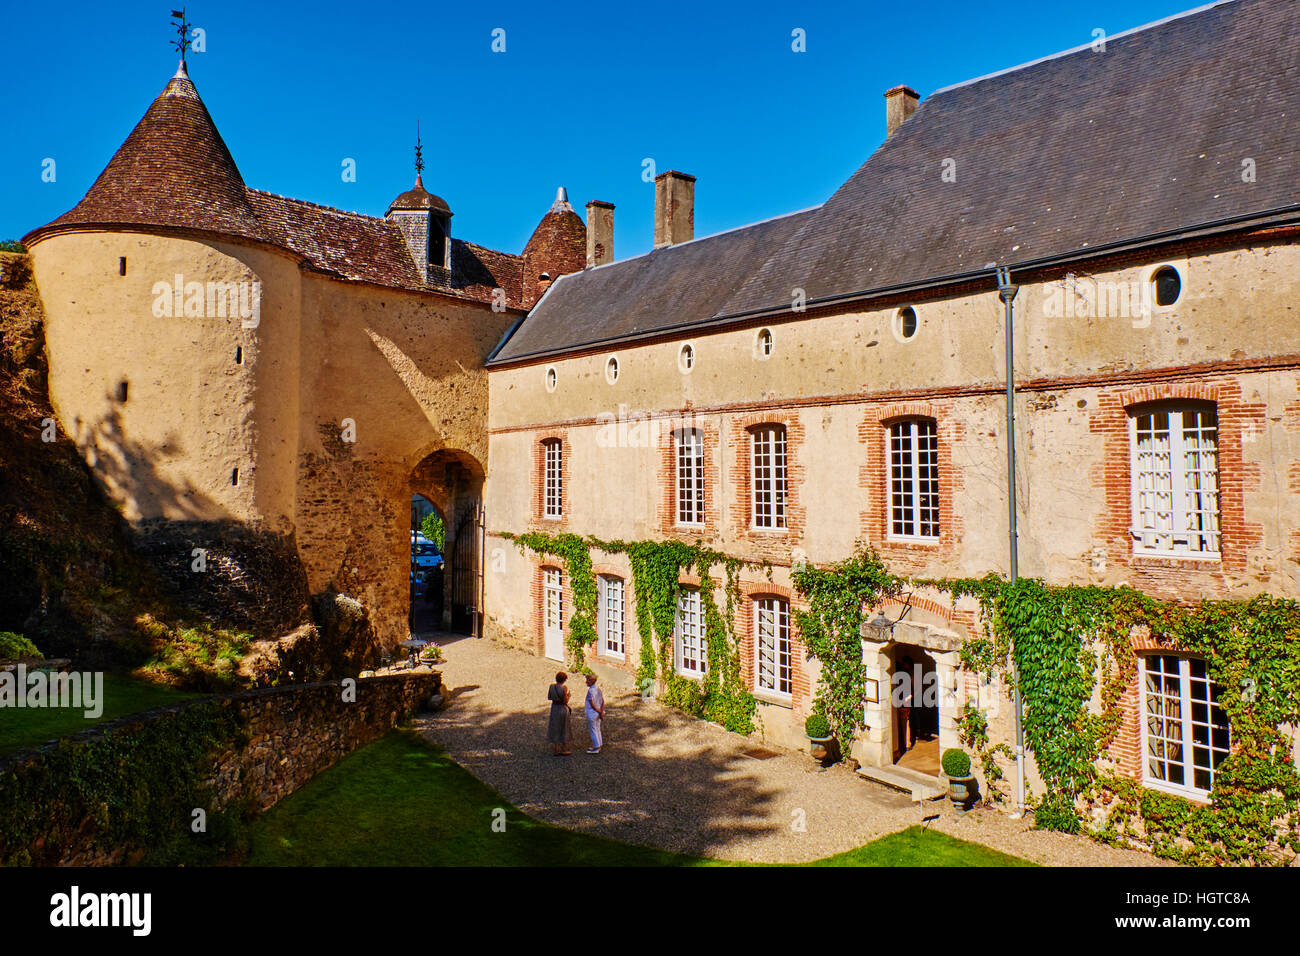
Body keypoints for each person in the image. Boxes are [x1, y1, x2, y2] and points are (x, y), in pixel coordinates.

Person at [547, 672, 572, 756]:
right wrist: (568, 696)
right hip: (562, 708)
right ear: (564, 680)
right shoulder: (564, 688)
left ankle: (556, 748)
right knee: (564, 727)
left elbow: (549, 697)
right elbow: (565, 701)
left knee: (555, 726)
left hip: (554, 708)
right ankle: (564, 748)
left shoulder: (552, 686)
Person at [584, 673, 605, 754]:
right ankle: (599, 744)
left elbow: (592, 704)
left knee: (593, 730)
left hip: (592, 713)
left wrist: (599, 711)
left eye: (587, 680)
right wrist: (601, 711)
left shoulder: (590, 691)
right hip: (598, 711)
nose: (586, 682)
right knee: (597, 728)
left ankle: (596, 747)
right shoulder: (598, 689)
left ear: (591, 681)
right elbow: (602, 701)